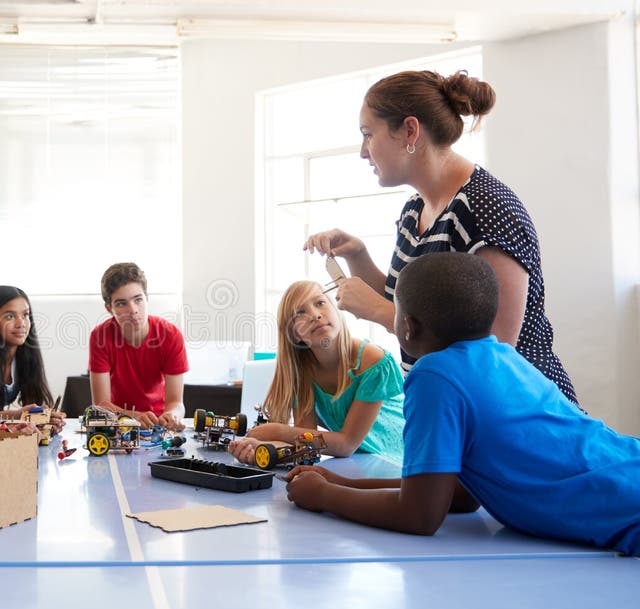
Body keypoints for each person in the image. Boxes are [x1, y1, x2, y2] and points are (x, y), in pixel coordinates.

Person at [285, 253, 640, 556]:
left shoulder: (434, 375)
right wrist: (338, 482)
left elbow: (419, 515)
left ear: (407, 326)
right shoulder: (502, 357)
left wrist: (326, 496)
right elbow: (461, 494)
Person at [303, 69, 577, 404]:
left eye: (368, 134)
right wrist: (357, 256)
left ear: (409, 130)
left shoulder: (486, 210)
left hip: (517, 413)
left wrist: (376, 311)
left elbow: (493, 350)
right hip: (456, 408)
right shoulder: (413, 211)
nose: (363, 151)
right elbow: (410, 306)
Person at [227, 280, 404, 464]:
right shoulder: (302, 372)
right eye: (300, 313)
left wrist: (277, 431)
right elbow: (307, 445)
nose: (315, 315)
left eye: (320, 303)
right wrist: (262, 449)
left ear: (336, 310)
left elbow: (346, 444)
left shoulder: (373, 361)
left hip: (398, 464)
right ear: (294, 334)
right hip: (362, 464)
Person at [89, 262, 188, 430]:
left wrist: (172, 415)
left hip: (159, 423)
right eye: (121, 303)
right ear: (109, 308)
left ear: (147, 298)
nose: (133, 310)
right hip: (119, 424)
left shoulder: (171, 335)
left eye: (138, 300)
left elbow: (176, 403)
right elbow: (101, 406)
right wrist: (134, 416)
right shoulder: (100, 337)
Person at [0, 285, 65, 434]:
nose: (21, 323)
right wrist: (20, 417)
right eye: (10, 316)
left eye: (25, 315)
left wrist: (43, 421)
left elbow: (30, 406)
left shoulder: (24, 354)